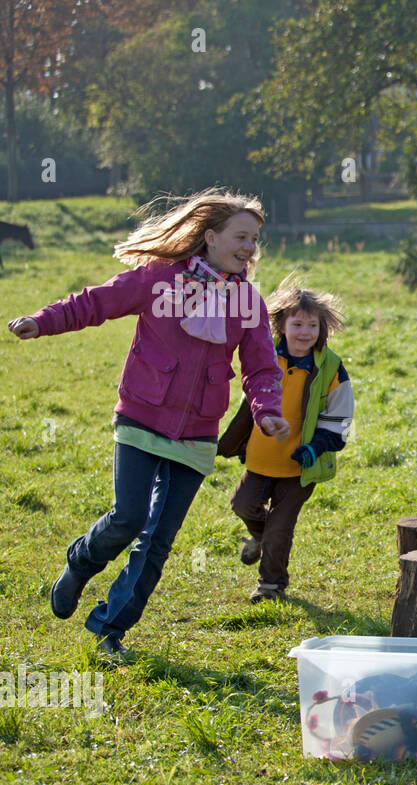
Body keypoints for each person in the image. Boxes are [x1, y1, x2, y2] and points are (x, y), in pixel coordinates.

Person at [6, 188, 287, 654]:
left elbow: (261, 369)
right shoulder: (161, 279)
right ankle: (81, 562)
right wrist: (43, 321)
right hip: (141, 417)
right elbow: (97, 302)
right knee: (128, 519)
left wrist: (268, 411)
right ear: (211, 236)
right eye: (242, 236)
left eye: (255, 240)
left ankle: (109, 630)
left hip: (197, 433)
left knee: (156, 541)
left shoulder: (247, 303)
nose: (250, 248)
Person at [218, 280, 354, 602]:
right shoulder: (264, 357)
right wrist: (240, 443)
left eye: (312, 325)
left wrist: (315, 447)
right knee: (242, 504)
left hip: (299, 465)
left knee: (280, 527)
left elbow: (340, 414)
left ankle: (271, 585)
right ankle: (259, 537)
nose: (305, 332)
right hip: (261, 458)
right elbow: (248, 401)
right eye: (297, 324)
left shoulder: (332, 367)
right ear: (281, 324)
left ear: (323, 329)